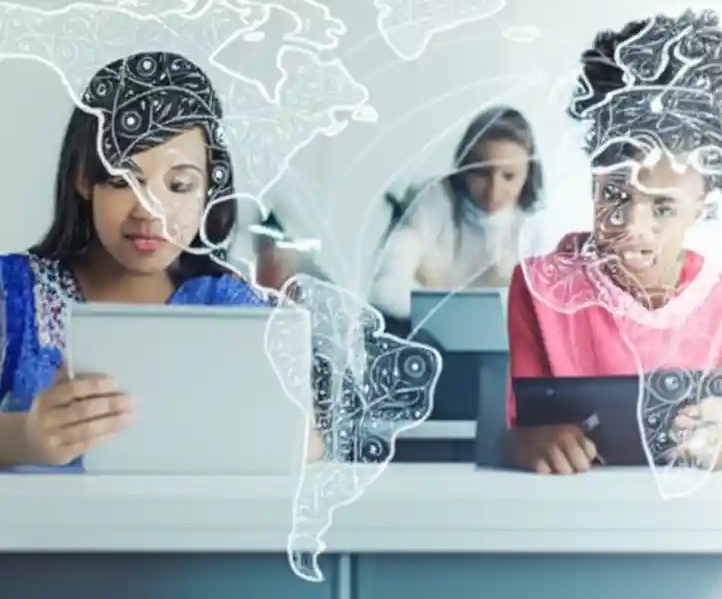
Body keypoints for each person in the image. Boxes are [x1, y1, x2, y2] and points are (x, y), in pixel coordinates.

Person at [0, 52, 324, 469]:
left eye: (180, 185)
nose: (150, 211)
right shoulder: (16, 294)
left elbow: (306, 444)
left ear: (209, 191)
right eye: (123, 180)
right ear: (84, 178)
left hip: (191, 530)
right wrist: (24, 438)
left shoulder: (232, 307)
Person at [503, 10, 722, 475]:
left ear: (703, 206)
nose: (632, 226)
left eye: (662, 208)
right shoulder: (541, 289)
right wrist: (526, 442)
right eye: (615, 195)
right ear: (594, 181)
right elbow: (514, 429)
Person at [370, 106, 544, 335]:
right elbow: (385, 290)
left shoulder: (534, 230)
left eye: (509, 176)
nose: (494, 190)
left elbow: (540, 312)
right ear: (463, 165)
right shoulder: (430, 204)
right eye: (481, 172)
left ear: (528, 175)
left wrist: (437, 300)